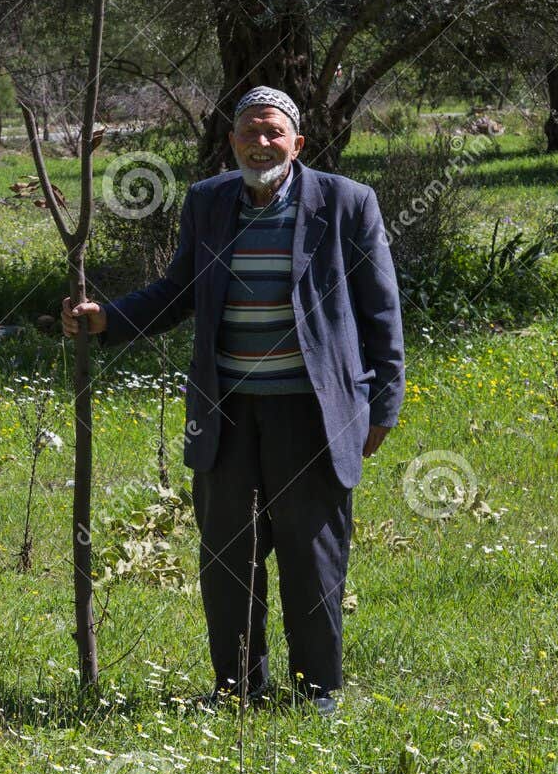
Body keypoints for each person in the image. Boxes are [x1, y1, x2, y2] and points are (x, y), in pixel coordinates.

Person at [61, 86, 404, 715]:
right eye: (248, 131)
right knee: (227, 556)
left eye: (273, 131)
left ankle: (317, 693)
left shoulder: (347, 203)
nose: (260, 141)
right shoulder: (208, 202)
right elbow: (178, 290)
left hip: (314, 411)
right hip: (226, 411)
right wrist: (106, 319)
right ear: (231, 142)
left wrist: (381, 405)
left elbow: (381, 311)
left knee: (312, 555)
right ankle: (238, 688)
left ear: (297, 143)